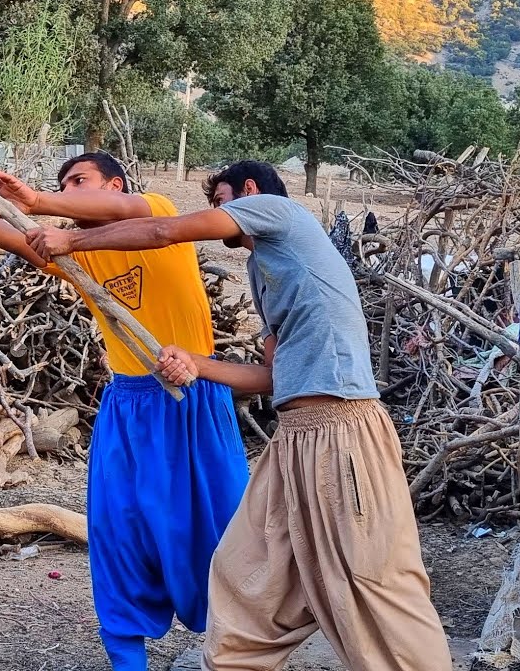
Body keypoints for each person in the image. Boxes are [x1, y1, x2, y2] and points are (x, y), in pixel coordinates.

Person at [25, 160, 450, 671]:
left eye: (220, 200)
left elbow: (164, 230)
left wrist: (69, 240)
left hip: (343, 429)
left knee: (374, 581)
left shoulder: (280, 212)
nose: (214, 213)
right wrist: (197, 364)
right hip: (295, 437)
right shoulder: (267, 270)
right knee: (245, 576)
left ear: (247, 192)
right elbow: (270, 375)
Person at [0, 153, 248, 670]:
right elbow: (9, 234)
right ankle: (127, 658)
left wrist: (39, 200)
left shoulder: (156, 214)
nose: (71, 191)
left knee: (217, 527)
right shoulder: (75, 254)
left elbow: (120, 210)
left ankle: (232, 648)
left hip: (194, 398)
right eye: (63, 185)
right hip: (129, 405)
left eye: (80, 182)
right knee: (120, 531)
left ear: (114, 185)